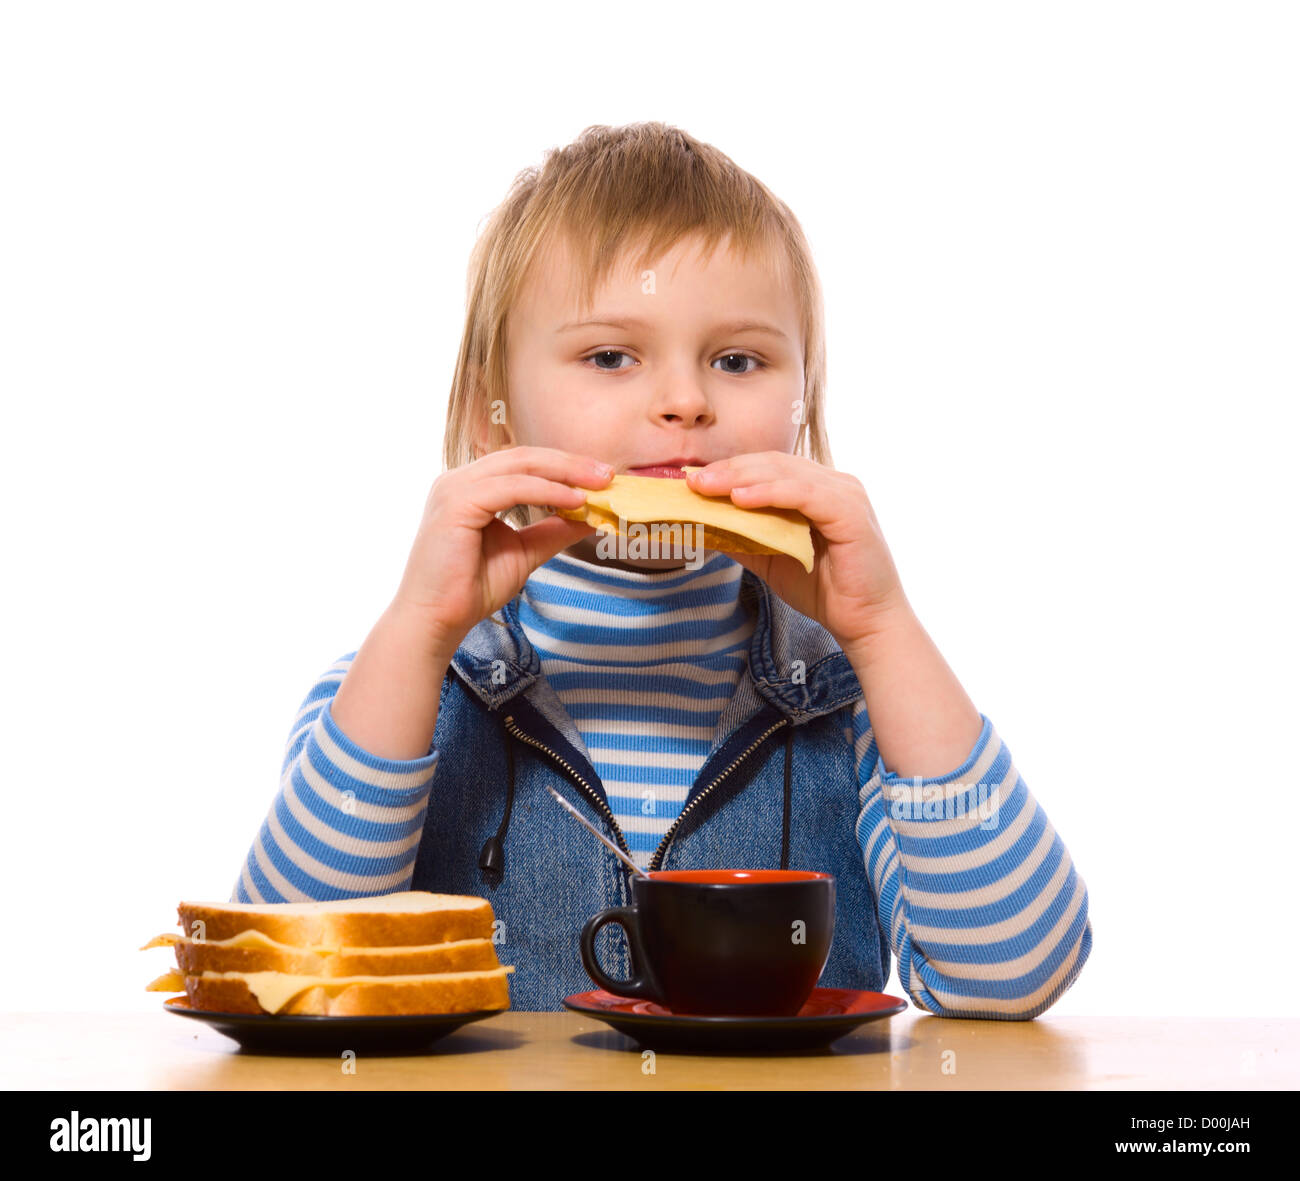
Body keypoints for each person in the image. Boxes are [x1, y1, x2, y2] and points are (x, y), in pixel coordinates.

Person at [232, 122, 1092, 1018]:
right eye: (610, 356)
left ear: (801, 412)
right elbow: (284, 976)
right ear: (492, 419)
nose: (685, 401)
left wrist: (883, 631)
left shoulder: (861, 704)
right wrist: (415, 633)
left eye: (736, 360)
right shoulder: (402, 692)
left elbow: (1014, 976)